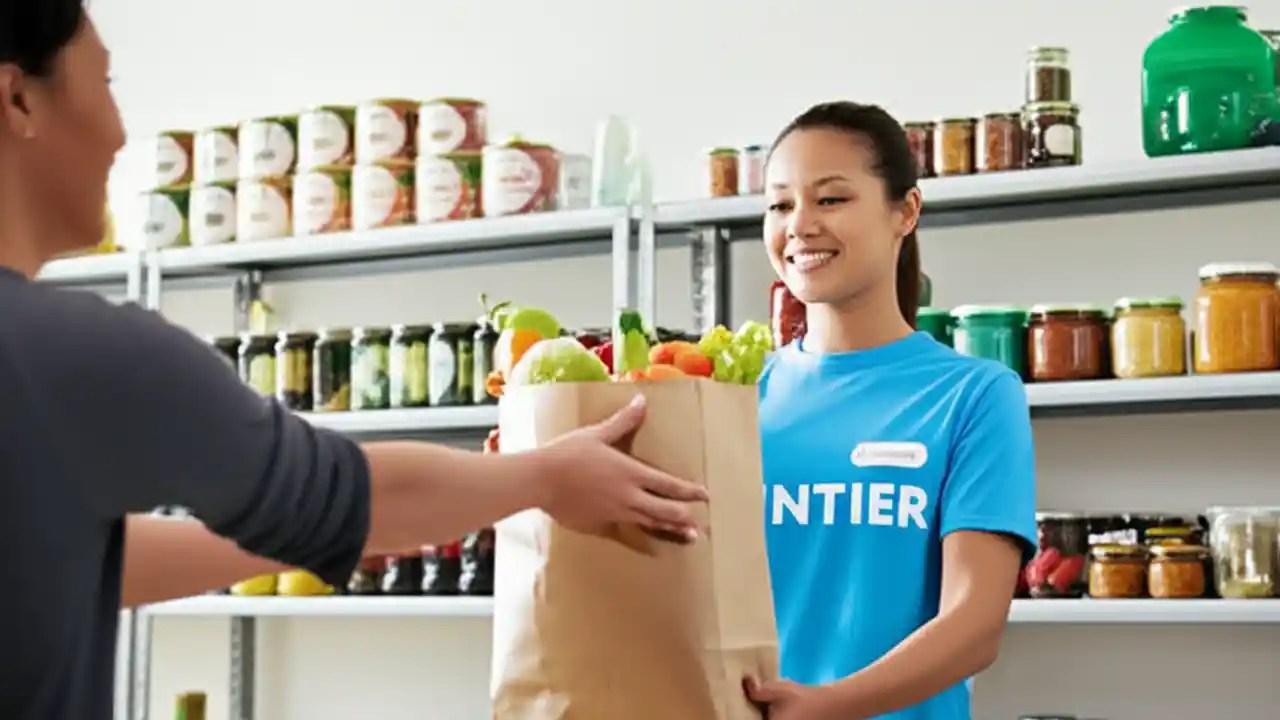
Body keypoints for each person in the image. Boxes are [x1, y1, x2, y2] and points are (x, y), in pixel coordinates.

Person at [0, 4, 707, 718]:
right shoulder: (86, 357)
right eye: (106, 82)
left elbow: (82, 563)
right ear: (20, 98)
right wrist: (546, 476)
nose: (121, 132)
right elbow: (360, 498)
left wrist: (280, 533)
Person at [743, 101, 1036, 719]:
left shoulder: (975, 395)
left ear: (905, 211)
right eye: (779, 204)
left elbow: (975, 623)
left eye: (830, 200)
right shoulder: (734, 397)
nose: (799, 225)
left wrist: (830, 705)